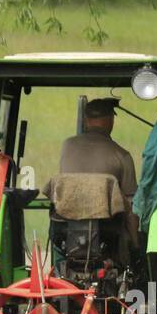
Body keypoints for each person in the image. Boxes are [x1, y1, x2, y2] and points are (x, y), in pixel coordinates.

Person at [59, 98, 141, 250]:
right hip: (108, 232)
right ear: (110, 121)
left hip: (65, 228)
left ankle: (59, 267)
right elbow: (131, 206)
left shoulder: (67, 146)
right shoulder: (122, 155)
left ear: (86, 121)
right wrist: (136, 245)